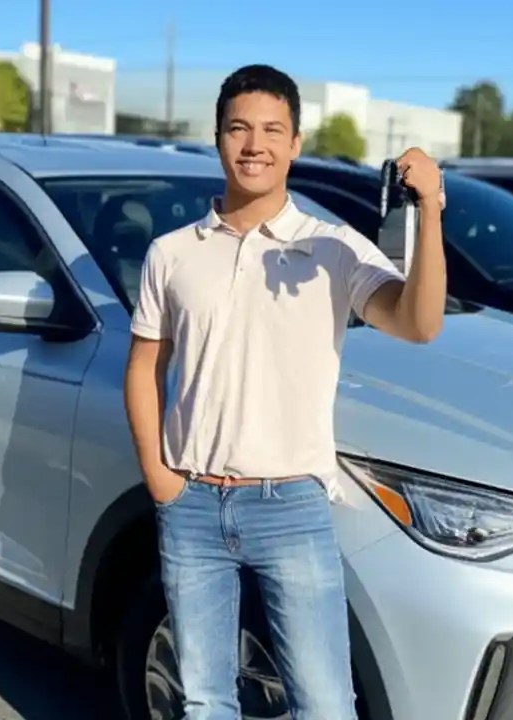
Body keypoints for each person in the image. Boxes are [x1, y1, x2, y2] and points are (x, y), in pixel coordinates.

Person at [123, 63, 446, 719]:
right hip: (192, 503)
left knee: (325, 705)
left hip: (291, 504)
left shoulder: (331, 249)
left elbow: (419, 323)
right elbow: (143, 366)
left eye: (273, 130)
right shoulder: (173, 253)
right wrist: (160, 477)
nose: (254, 145)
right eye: (239, 128)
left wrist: (431, 209)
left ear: (295, 144)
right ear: (217, 138)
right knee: (206, 701)